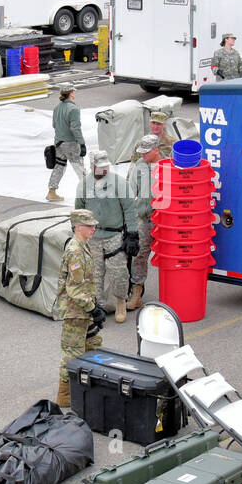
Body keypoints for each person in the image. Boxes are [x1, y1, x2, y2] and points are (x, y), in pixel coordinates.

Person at [75, 150, 138, 324]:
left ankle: (120, 303)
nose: (103, 170)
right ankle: (97, 306)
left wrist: (132, 234)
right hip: (93, 236)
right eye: (99, 167)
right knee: (94, 274)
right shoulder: (84, 185)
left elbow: (129, 209)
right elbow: (78, 210)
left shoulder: (118, 183)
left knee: (118, 272)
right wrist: (78, 234)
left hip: (114, 235)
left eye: (105, 166)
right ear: (92, 166)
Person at [54, 208, 103, 408]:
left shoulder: (83, 246)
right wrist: (93, 309)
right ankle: (64, 396)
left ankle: (92, 387)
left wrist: (94, 306)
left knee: (94, 346)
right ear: (78, 226)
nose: (93, 229)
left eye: (94, 225)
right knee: (72, 353)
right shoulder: (75, 251)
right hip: (75, 312)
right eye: (89, 226)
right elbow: (74, 289)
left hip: (85, 309)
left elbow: (85, 283)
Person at [126, 134, 160, 312]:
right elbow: (130, 193)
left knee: (168, 256)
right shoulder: (139, 166)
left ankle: (170, 292)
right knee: (140, 254)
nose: (143, 156)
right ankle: (136, 292)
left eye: (146, 152)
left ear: (156, 150)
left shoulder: (167, 167)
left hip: (164, 220)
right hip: (144, 218)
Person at [47, 82, 86, 202]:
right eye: (74, 91)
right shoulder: (73, 109)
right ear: (71, 93)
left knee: (59, 167)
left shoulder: (57, 108)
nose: (75, 92)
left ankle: (51, 192)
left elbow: (54, 125)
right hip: (71, 144)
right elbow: (75, 128)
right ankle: (88, 194)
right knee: (80, 169)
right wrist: (82, 143)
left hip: (58, 143)